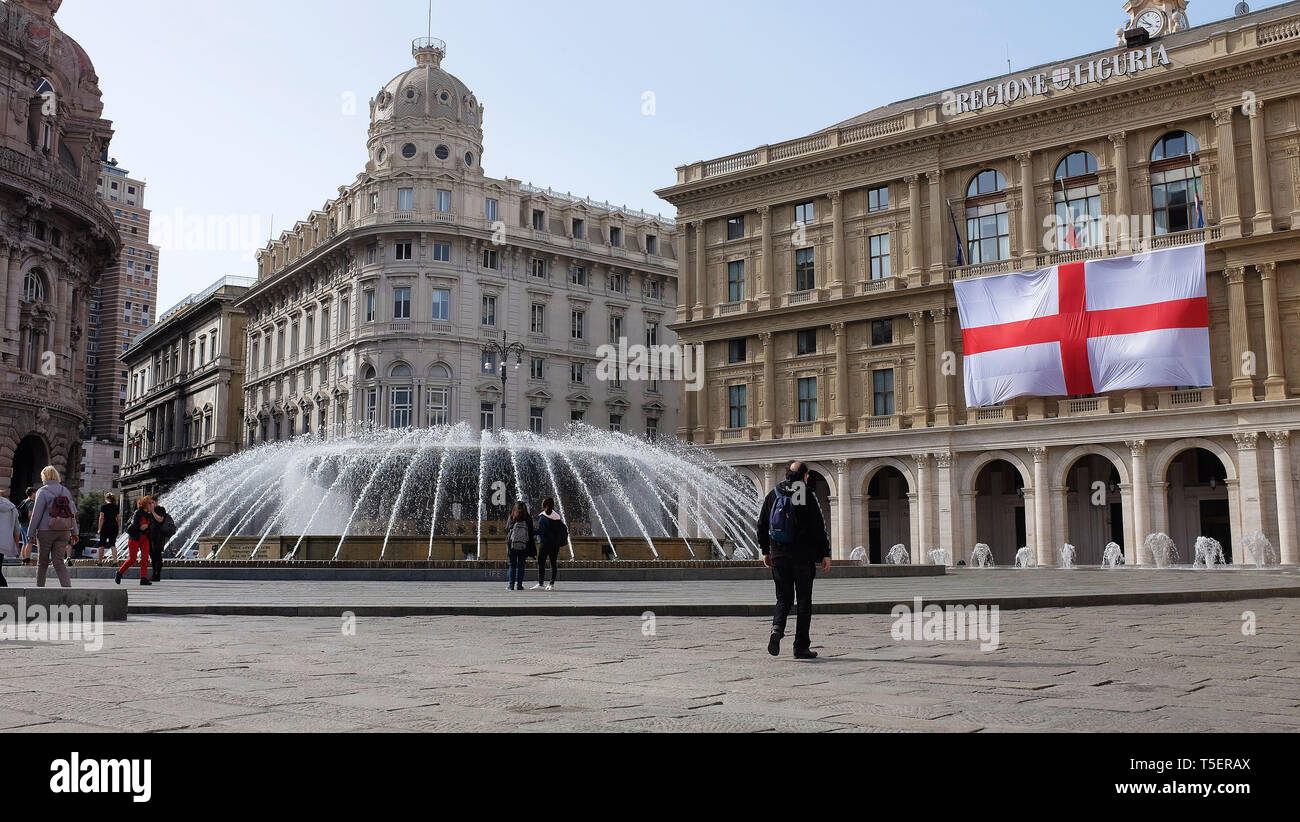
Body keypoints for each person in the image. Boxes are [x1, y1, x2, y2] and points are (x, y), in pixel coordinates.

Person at [757, 461, 831, 659]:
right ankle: (800, 647)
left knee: (783, 597)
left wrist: (766, 551)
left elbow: (762, 524)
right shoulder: (806, 493)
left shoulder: (775, 493)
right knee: (804, 600)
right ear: (805, 476)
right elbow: (818, 527)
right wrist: (825, 553)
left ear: (787, 475)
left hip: (779, 555)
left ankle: (777, 629)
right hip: (803, 557)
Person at [24, 466, 78, 588]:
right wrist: (75, 532)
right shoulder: (65, 491)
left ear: (44, 476)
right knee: (59, 561)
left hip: (45, 531)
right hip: (64, 531)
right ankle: (67, 588)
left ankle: (40, 590)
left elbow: (36, 514)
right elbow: (72, 514)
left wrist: (30, 533)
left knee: (42, 562)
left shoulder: (42, 491)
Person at [116, 496, 155, 586]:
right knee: (132, 559)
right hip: (135, 538)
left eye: (152, 503)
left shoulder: (149, 515)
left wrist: (148, 527)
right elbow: (132, 526)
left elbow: (152, 526)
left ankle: (143, 578)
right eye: (149, 503)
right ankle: (119, 573)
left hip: (144, 538)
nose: (151, 504)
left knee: (145, 558)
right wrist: (140, 527)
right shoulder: (138, 513)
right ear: (145, 504)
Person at [531, 497, 566, 591]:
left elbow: (542, 531)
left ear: (545, 505)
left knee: (541, 562)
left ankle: (540, 583)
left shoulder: (543, 517)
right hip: (555, 544)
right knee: (553, 563)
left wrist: (532, 532)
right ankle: (551, 584)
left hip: (545, 543)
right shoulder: (557, 517)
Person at [504, 501, 535, 591]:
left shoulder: (512, 517)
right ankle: (519, 585)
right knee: (521, 565)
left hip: (512, 545)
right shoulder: (528, 518)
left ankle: (511, 586)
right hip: (524, 545)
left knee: (512, 565)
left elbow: (507, 529)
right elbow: (531, 532)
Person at [149, 503, 177, 582]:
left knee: (157, 556)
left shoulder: (160, 510)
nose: (150, 504)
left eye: (151, 502)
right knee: (153, 557)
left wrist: (153, 511)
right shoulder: (150, 511)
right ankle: (154, 573)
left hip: (159, 537)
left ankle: (157, 574)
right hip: (151, 537)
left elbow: (160, 519)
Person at [0, 490, 20, 587]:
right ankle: (6, 593)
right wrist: (17, 546)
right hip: (3, 544)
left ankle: (6, 594)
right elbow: (17, 529)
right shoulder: (11, 507)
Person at [96, 492, 121, 565]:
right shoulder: (116, 507)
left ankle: (100, 562)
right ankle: (115, 561)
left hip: (105, 526)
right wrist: (118, 528)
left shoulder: (104, 507)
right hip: (114, 526)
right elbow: (118, 518)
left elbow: (101, 518)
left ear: (106, 499)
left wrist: (99, 528)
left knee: (102, 544)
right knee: (112, 544)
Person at [17, 487, 35, 564]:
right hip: (28, 525)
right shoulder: (31, 503)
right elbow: (30, 515)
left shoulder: (24, 501)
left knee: (25, 543)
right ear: (33, 493)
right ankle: (27, 560)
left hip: (21, 524)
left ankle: (24, 560)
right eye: (35, 492)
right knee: (30, 542)